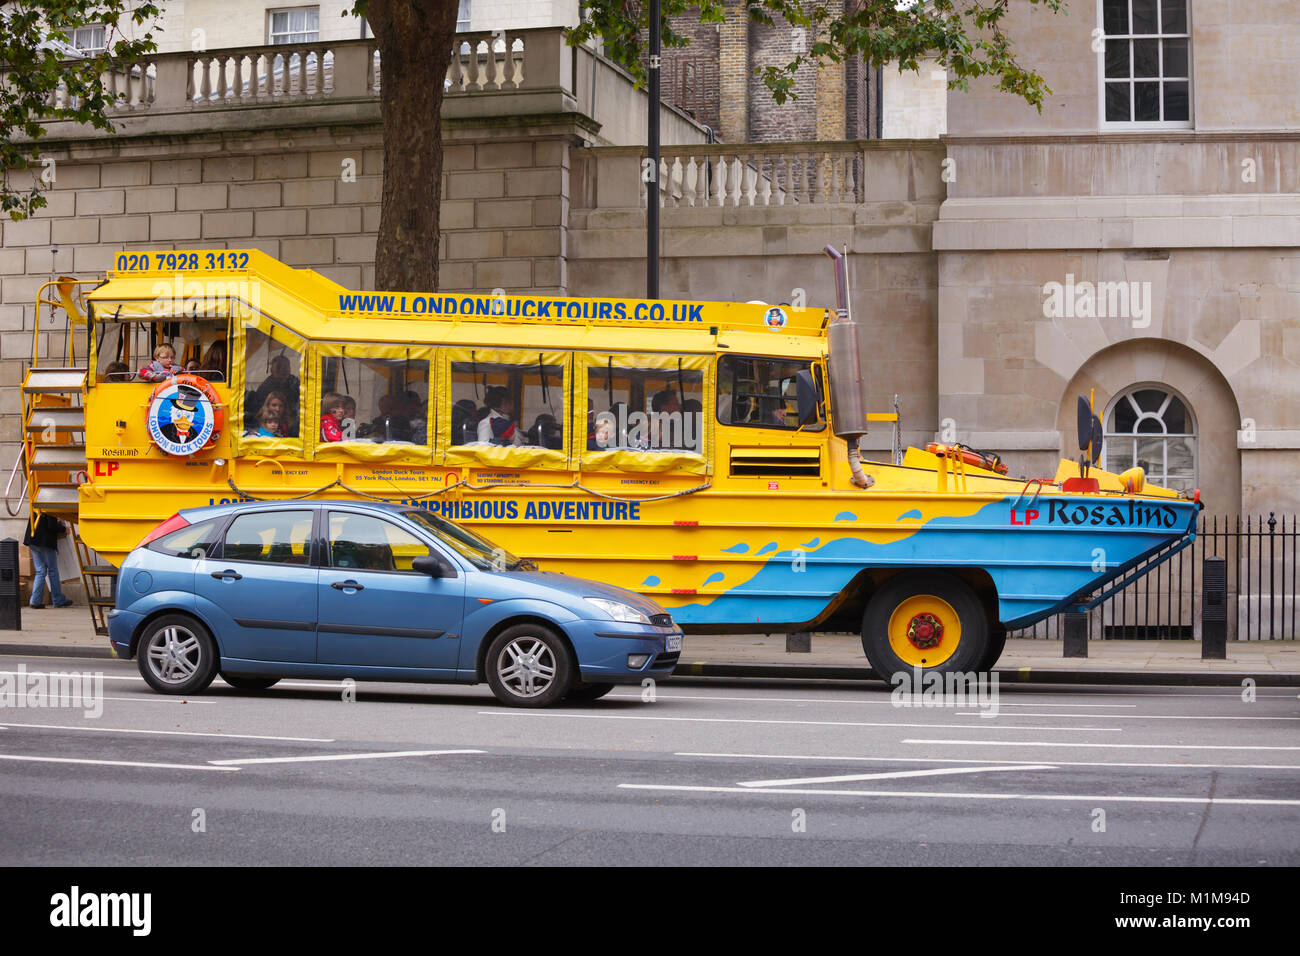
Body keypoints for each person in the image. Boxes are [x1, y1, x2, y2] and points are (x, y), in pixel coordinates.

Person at [24, 513, 71, 609]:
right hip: (45, 541)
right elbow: (51, 525)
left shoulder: (35, 500)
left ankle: (35, 601)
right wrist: (64, 529)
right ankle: (58, 600)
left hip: (33, 540)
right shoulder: (49, 505)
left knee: (40, 571)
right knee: (52, 570)